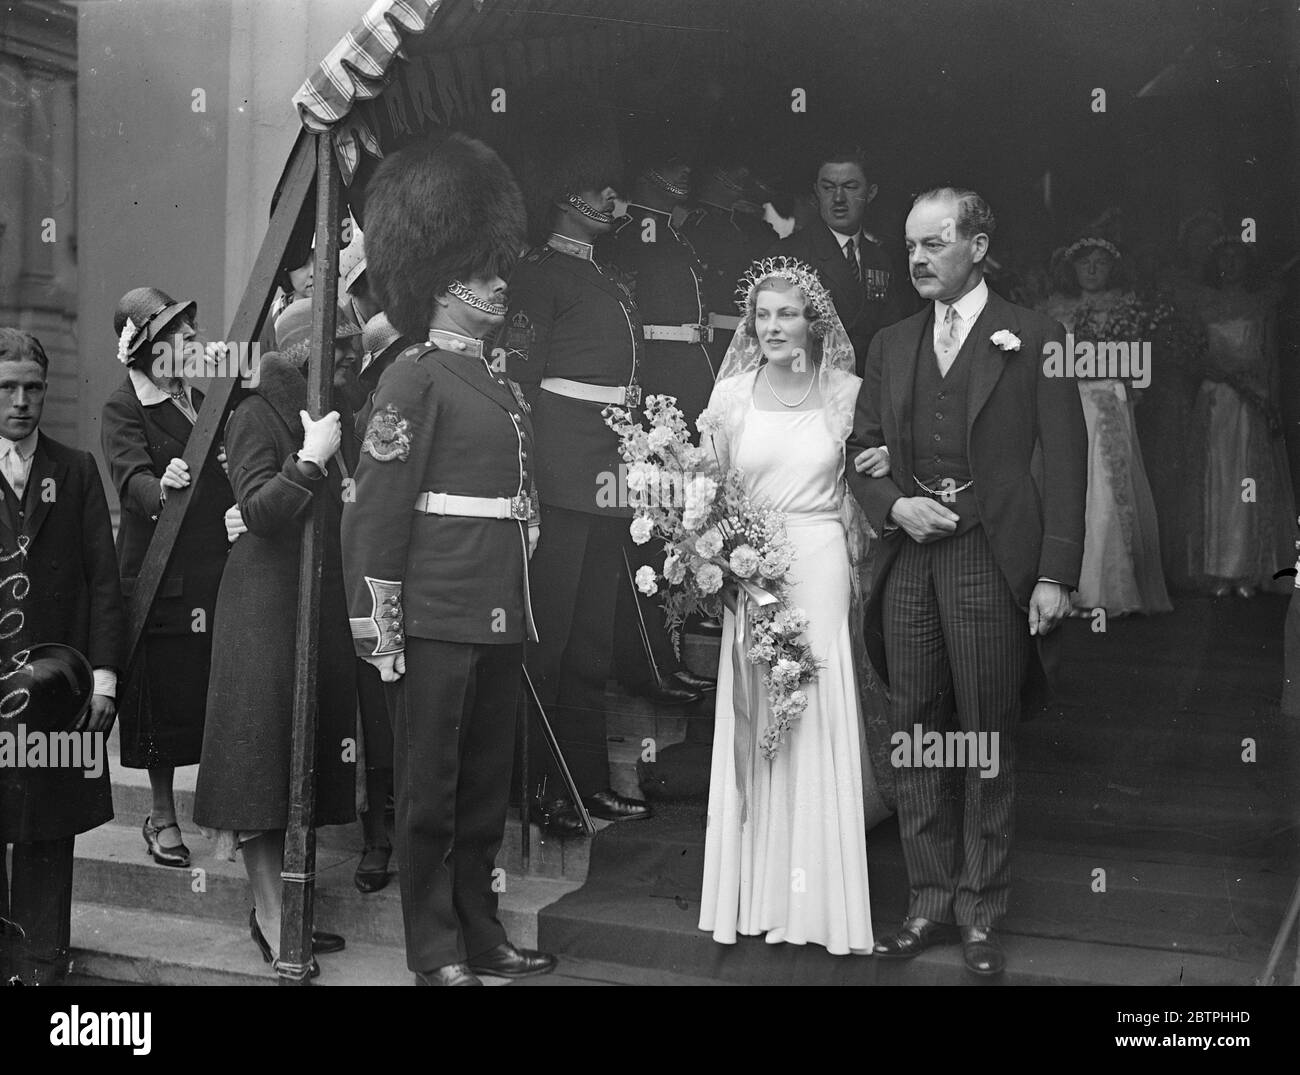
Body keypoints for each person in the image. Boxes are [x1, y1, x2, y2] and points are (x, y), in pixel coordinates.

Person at [846, 187, 1087, 976]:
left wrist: (1055, 572)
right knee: (915, 726)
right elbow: (862, 449)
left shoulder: (1037, 335)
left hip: (991, 554)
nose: (917, 259)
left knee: (986, 731)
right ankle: (926, 899)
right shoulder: (891, 342)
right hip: (911, 560)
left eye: (935, 243)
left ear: (978, 246)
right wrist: (894, 504)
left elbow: (1068, 457)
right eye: (910, 246)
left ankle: (981, 911)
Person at [343, 132, 557, 986]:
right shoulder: (412, 378)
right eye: (481, 270)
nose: (500, 283)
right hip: (434, 615)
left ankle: (481, 931)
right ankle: (433, 950)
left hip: (497, 612)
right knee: (429, 794)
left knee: (481, 792)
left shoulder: (499, 382)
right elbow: (377, 515)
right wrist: (380, 626)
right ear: (441, 283)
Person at [697, 258, 892, 955]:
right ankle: (754, 895)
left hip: (819, 559)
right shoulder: (729, 396)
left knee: (812, 707)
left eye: (787, 314)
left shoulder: (846, 393)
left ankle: (819, 905)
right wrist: (718, 557)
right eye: (763, 315)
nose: (773, 327)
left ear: (815, 322)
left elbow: (871, 474)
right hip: (751, 571)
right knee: (756, 709)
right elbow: (704, 488)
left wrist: (884, 464)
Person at [503, 91, 653, 837]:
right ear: (565, 195)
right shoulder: (539, 275)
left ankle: (585, 782)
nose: (611, 198)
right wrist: (529, 484)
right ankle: (542, 787)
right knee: (550, 644)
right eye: (599, 187)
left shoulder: (601, 274)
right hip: (560, 482)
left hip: (605, 480)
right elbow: (519, 388)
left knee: (590, 644)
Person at [191, 305, 354, 977]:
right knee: (258, 760)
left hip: (312, 603)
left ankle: (288, 908)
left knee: (298, 756)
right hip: (262, 606)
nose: (351, 356)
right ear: (305, 352)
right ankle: (270, 913)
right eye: (340, 345)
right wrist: (310, 461)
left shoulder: (334, 415)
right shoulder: (256, 414)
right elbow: (257, 510)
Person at [0, 328, 124, 985]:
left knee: (48, 821)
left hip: (57, 691)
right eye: (7, 388)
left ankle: (42, 962)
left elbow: (104, 582)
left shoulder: (74, 471)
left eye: (33, 387)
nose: (21, 401)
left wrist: (103, 679)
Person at [101, 287, 234, 868]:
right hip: (158, 577)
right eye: (180, 331)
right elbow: (129, 478)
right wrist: (161, 487)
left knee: (210, 693)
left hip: (210, 569)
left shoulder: (201, 400)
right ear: (150, 346)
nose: (193, 337)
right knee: (162, 697)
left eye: (191, 327)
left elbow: (226, 473)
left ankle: (221, 813)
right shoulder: (124, 407)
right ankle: (161, 814)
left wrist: (230, 464)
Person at [605, 125, 713, 707]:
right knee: (651, 538)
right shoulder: (629, 237)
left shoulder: (673, 234)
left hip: (684, 393)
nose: (684, 172)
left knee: (677, 532)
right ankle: (651, 665)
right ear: (646, 170)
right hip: (655, 398)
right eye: (670, 161)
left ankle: (670, 655)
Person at [1038, 239, 1172, 616]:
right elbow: (1051, 363)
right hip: (1071, 401)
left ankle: (1106, 587)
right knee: (1071, 487)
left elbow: (1137, 365)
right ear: (1073, 269)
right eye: (1085, 263)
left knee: (1107, 489)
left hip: (1109, 402)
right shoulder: (1054, 310)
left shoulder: (1126, 308)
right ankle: (1068, 584)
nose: (1093, 270)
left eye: (1101, 263)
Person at [1194, 239, 1295, 597]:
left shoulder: (1260, 305)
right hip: (1217, 399)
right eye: (1223, 258)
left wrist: (1271, 402)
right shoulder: (1203, 305)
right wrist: (1216, 371)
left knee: (1246, 478)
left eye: (1236, 258)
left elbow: (1270, 358)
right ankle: (1220, 569)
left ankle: (1247, 567)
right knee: (1218, 478)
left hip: (1251, 399)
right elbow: (1197, 354)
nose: (1230, 264)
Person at [770, 146, 911, 375]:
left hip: (868, 385)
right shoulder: (789, 255)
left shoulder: (881, 259)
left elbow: (891, 334)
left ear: (871, 193)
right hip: (811, 384)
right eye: (828, 188)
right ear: (816, 191)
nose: (838, 199)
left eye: (850, 187)